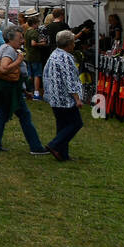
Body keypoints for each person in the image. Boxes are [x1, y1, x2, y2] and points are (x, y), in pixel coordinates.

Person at [0, 25, 48, 155]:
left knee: (2, 115)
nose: (22, 41)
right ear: (10, 38)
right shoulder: (9, 50)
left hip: (8, 89)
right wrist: (19, 60)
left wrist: (24, 91)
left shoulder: (5, 48)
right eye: (20, 38)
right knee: (24, 116)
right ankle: (35, 147)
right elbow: (4, 68)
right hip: (9, 90)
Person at [42, 30, 84, 160]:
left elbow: (46, 74)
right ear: (69, 44)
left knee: (62, 125)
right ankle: (54, 145)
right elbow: (69, 80)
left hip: (55, 96)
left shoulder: (54, 54)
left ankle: (62, 154)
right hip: (65, 98)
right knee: (76, 123)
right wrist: (77, 98)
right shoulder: (66, 58)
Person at [23, 8, 50, 101]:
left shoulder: (27, 31)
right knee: (37, 75)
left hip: (28, 55)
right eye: (37, 23)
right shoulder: (34, 32)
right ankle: (36, 93)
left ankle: (28, 91)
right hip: (35, 56)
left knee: (29, 74)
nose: (38, 25)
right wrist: (42, 44)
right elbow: (33, 43)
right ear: (34, 24)